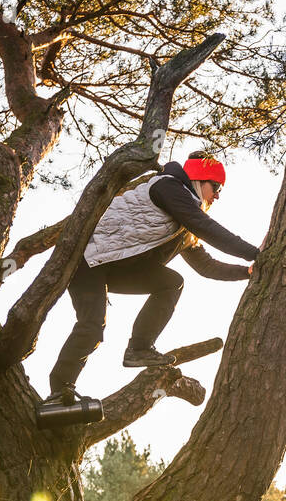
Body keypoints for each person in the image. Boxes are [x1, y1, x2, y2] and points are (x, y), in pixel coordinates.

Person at [44, 151, 259, 404]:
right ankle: (59, 392)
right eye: (217, 186)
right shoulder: (168, 187)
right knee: (92, 327)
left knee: (172, 282)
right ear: (200, 179)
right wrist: (255, 252)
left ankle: (139, 348)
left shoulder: (183, 221)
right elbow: (206, 227)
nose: (218, 194)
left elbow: (206, 266)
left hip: (116, 268)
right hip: (90, 260)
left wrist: (247, 271)